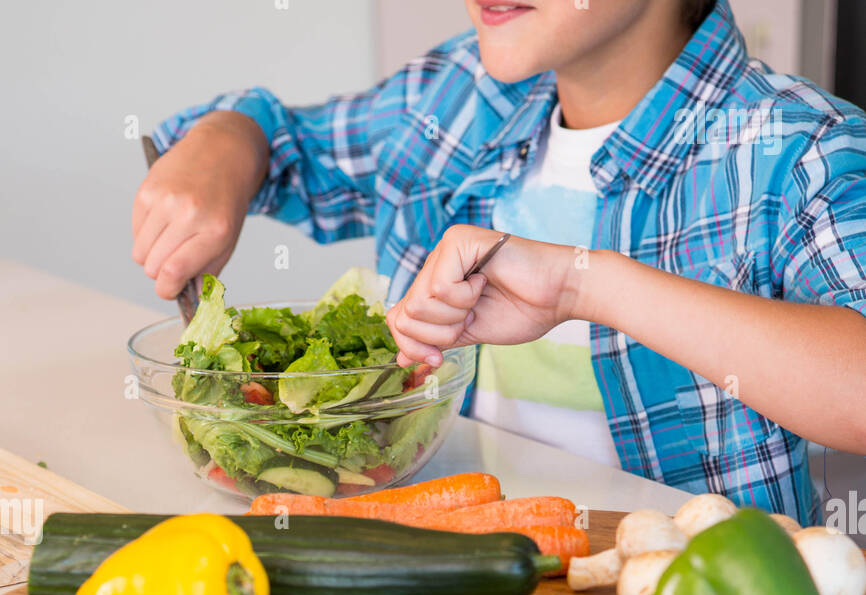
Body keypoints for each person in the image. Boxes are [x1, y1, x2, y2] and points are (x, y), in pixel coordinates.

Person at [133, 1, 866, 521]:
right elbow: (286, 142)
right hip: (475, 592)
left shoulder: (799, 147)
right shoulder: (456, 96)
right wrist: (227, 145)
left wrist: (588, 282)